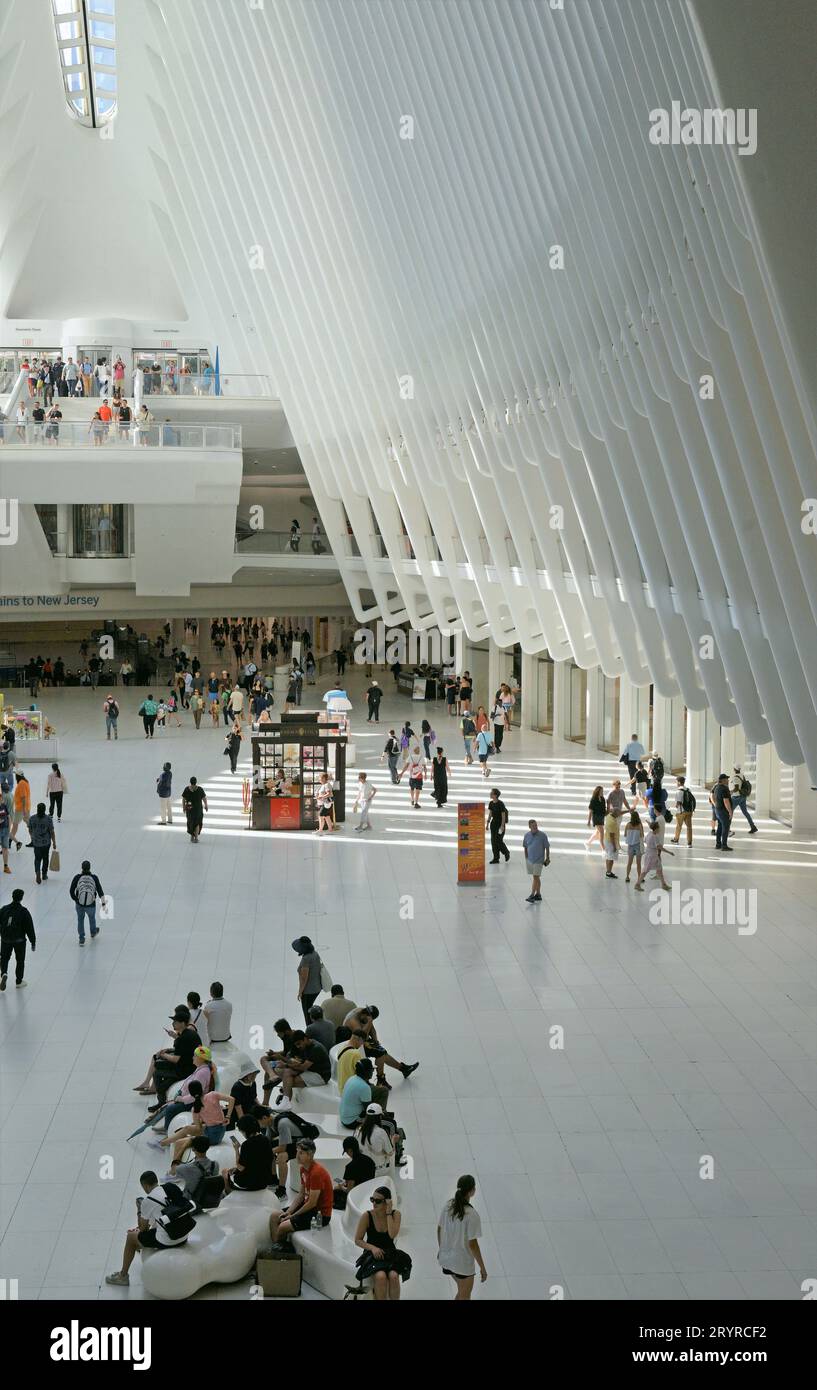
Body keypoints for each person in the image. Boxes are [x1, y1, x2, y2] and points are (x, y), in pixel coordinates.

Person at [105, 1171, 194, 1286]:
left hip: (169, 1240)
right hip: (184, 1234)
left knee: (131, 1237)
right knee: (156, 1222)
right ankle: (139, 1247)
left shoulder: (147, 1201)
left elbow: (142, 1229)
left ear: (145, 1186)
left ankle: (123, 1276)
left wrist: (139, 1209)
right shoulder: (171, 1187)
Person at [268, 1138, 333, 1242]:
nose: (297, 1155)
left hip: (321, 1215)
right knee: (274, 1217)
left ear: (310, 1154)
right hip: (308, 1208)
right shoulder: (303, 1168)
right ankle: (277, 1246)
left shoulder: (317, 1173)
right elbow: (301, 1194)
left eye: (301, 1153)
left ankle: (279, 1249)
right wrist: (289, 1211)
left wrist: (292, 1216)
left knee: (282, 1227)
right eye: (297, 1152)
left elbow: (312, 1203)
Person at [353, 1186, 408, 1299]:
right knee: (381, 1277)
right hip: (372, 1253)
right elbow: (358, 1240)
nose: (374, 1203)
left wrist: (388, 1213)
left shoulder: (395, 1214)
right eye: (372, 1199)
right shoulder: (367, 1216)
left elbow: (392, 1234)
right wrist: (373, 1248)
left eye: (378, 1201)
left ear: (386, 1202)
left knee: (393, 1276)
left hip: (389, 1252)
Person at [437, 1175, 487, 1299]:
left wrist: (441, 1249)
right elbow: (473, 1244)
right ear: (472, 1191)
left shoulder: (448, 1205)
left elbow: (439, 1229)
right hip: (462, 1265)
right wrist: (482, 1267)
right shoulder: (471, 1215)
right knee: (464, 1296)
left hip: (446, 1260)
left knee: (462, 1293)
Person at [276, 1029, 331, 1099]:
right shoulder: (307, 1045)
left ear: (305, 1039)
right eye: (296, 1045)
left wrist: (286, 1064)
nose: (298, 1047)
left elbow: (303, 1067)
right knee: (287, 1072)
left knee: (288, 1082)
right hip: (311, 1071)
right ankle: (285, 1102)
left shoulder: (316, 1049)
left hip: (321, 1076)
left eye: (299, 1044)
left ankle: (286, 1100)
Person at [0, 888, 36, 990]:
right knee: (20, 960)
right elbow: (29, 928)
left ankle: (4, 973)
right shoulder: (24, 912)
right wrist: (33, 941)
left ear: (12, 896)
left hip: (5, 939)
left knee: (4, 958)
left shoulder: (4, 909)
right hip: (19, 940)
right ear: (21, 898)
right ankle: (19, 981)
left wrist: (2, 933)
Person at [69, 860, 105, 945]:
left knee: (80, 920)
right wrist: (103, 902)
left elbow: (71, 891)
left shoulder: (77, 877)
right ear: (89, 868)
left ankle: (81, 938)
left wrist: (76, 899)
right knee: (92, 918)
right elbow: (100, 890)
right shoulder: (94, 878)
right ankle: (93, 932)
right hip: (91, 904)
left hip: (79, 904)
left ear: (82, 868)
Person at [355, 1103, 394, 1171]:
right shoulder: (381, 1132)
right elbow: (390, 1152)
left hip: (363, 1168)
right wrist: (393, 1141)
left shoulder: (358, 1129)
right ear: (379, 1117)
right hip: (378, 1170)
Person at [293, 935, 323, 1022]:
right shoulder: (315, 953)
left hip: (309, 991)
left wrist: (300, 991)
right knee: (309, 1010)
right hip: (317, 987)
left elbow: (304, 978)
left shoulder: (306, 959)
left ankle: (310, 1029)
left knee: (307, 1013)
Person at [635, 821, 670, 892]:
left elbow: (645, 841)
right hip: (652, 856)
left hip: (650, 854)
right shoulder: (655, 837)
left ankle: (664, 884)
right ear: (656, 829)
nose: (659, 829)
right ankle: (637, 884)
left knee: (659, 869)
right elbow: (659, 847)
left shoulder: (649, 833)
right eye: (659, 828)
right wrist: (669, 852)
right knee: (645, 870)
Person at [340, 1057, 374, 1127]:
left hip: (344, 1119)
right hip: (352, 1122)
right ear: (367, 1071)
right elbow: (369, 1110)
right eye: (372, 1069)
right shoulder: (364, 1087)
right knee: (380, 1119)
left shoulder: (352, 1078)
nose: (373, 1072)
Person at [522, 819, 550, 903]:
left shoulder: (543, 835)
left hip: (539, 860)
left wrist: (547, 858)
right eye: (533, 826)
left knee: (535, 877)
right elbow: (525, 847)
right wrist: (526, 858)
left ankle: (532, 895)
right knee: (536, 877)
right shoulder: (526, 835)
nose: (535, 827)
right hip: (530, 859)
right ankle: (538, 894)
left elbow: (547, 847)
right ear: (529, 827)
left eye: (536, 825)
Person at [28, 802, 56, 883]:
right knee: (45, 858)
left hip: (36, 843)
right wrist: (54, 842)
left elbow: (30, 830)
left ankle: (37, 872)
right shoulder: (48, 819)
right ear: (44, 810)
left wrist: (32, 837)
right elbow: (52, 832)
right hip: (46, 843)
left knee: (37, 859)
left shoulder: (32, 818)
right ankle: (44, 874)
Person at [730, 767, 759, 834]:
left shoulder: (735, 777)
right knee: (745, 812)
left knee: (730, 812)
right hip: (743, 796)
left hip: (736, 797)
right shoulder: (742, 775)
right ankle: (753, 826)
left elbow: (736, 788)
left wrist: (730, 791)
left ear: (734, 769)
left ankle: (727, 829)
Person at [710, 772, 733, 851]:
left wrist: (715, 804)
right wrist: (730, 811)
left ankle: (718, 844)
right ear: (723, 780)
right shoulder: (724, 788)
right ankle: (724, 845)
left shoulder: (716, 787)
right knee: (725, 828)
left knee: (719, 827)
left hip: (718, 810)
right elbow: (726, 801)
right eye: (727, 779)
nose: (728, 780)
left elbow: (712, 796)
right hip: (723, 811)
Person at [486, 787, 510, 863]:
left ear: (495, 795)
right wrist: (487, 823)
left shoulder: (500, 804)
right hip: (493, 824)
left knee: (498, 840)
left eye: (491, 793)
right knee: (493, 841)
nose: (490, 794)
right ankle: (496, 858)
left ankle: (506, 852)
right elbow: (490, 813)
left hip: (500, 824)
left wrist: (502, 826)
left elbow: (503, 815)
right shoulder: (491, 803)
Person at [399, 743, 426, 807]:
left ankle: (412, 800)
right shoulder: (422, 757)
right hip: (419, 776)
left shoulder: (410, 757)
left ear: (413, 751)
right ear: (419, 751)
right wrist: (425, 774)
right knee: (418, 789)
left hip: (411, 776)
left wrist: (401, 773)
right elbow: (425, 767)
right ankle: (416, 802)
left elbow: (406, 766)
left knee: (412, 788)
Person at [182, 776, 207, 842]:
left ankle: (192, 836)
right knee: (197, 823)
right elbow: (204, 798)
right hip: (198, 809)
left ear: (190, 782)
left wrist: (184, 807)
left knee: (191, 822)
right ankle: (196, 838)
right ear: (196, 782)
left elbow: (183, 799)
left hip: (189, 809)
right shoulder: (200, 789)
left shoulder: (187, 789)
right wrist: (206, 805)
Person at [672, 776, 696, 845]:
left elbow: (678, 802)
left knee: (679, 826)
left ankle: (676, 839)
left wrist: (676, 806)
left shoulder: (679, 791)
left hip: (681, 811)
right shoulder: (688, 790)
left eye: (676, 782)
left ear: (679, 782)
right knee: (689, 827)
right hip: (689, 811)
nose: (676, 783)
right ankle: (689, 842)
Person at [10, 772, 31, 851]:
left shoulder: (21, 783)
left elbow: (23, 797)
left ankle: (10, 840)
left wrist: (23, 810)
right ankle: (34, 841)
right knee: (29, 824)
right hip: (26, 807)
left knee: (15, 825)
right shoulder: (25, 782)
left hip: (21, 809)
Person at [624, 811, 644, 884]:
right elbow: (642, 835)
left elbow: (625, 834)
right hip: (638, 845)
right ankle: (639, 877)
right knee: (638, 863)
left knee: (629, 862)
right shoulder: (639, 825)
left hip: (630, 845)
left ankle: (627, 876)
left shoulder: (628, 825)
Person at [585, 785, 606, 851]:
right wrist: (588, 821)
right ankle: (603, 849)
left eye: (602, 791)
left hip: (601, 817)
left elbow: (604, 809)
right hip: (596, 818)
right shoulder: (593, 799)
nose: (602, 792)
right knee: (602, 832)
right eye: (601, 791)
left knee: (597, 833)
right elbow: (591, 811)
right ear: (598, 791)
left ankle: (588, 843)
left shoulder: (603, 799)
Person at [603, 808, 621, 879]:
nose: (619, 815)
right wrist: (614, 846)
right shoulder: (612, 822)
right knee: (611, 858)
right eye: (618, 813)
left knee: (608, 856)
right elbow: (612, 836)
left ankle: (608, 872)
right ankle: (609, 873)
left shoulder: (609, 816)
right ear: (615, 813)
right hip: (611, 842)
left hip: (606, 839)